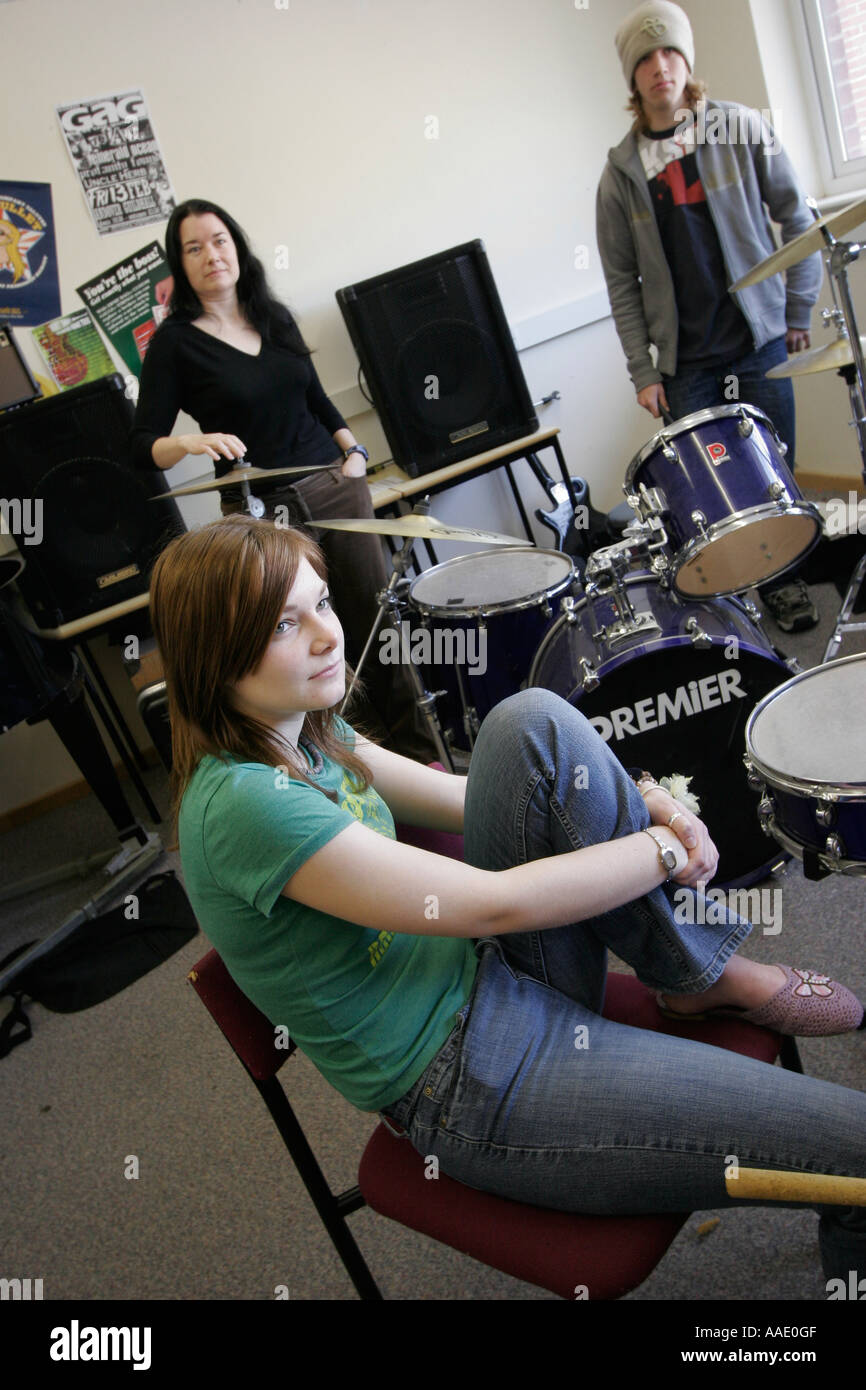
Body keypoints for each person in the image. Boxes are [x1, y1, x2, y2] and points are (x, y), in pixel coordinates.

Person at [149, 514, 866, 1291]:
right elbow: (494, 904)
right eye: (285, 624)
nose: (327, 636)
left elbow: (475, 794)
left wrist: (648, 799)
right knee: (860, 1158)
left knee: (529, 725)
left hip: (497, 979)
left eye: (322, 603)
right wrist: (662, 846)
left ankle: (693, 977)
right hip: (467, 1083)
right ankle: (699, 975)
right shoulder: (245, 805)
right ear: (214, 657)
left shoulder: (305, 730)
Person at [131, 197, 435, 761]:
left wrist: (355, 452)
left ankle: (423, 758)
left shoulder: (274, 317)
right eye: (192, 248)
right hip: (261, 511)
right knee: (300, 651)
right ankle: (351, 769)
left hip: (335, 483)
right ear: (179, 267)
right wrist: (189, 442)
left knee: (372, 623)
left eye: (219, 241)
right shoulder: (175, 343)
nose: (210, 255)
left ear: (237, 248)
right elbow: (142, 445)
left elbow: (319, 402)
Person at [596, 2, 822, 632]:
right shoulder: (618, 174)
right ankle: (730, 606)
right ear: (632, 79)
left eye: (669, 53)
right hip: (685, 364)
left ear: (686, 62)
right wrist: (643, 370)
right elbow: (621, 282)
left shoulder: (742, 128)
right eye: (645, 60)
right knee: (710, 497)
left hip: (757, 343)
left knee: (775, 477)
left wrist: (797, 309)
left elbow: (799, 221)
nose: (659, 68)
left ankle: (786, 586)